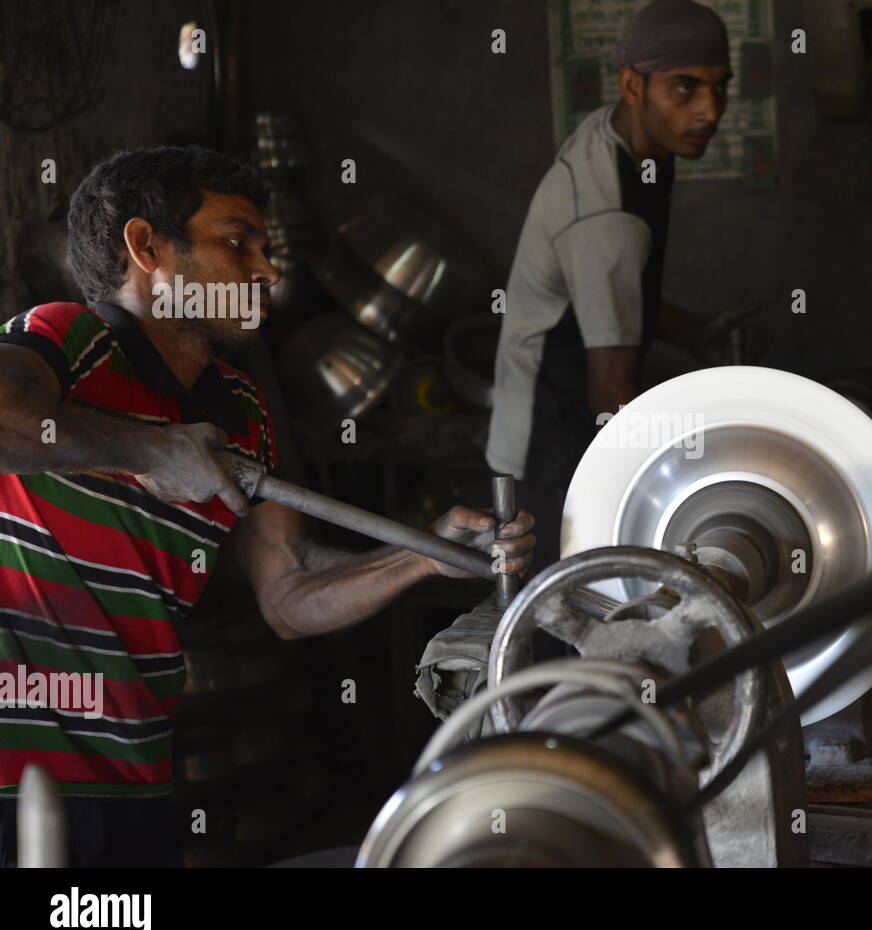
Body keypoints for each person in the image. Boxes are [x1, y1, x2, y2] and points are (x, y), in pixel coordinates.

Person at [0, 145, 535, 867]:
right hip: (17, 775)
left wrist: (422, 553)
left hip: (134, 780)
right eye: (235, 242)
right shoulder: (69, 339)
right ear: (147, 246)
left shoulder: (239, 409)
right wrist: (151, 450)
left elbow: (288, 593)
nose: (267, 270)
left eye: (265, 246)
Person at [487, 0, 739, 572]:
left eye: (720, 88)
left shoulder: (634, 141)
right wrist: (697, 468)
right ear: (633, 84)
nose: (709, 111)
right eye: (686, 88)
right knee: (562, 617)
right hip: (548, 441)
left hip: (573, 410)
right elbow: (610, 393)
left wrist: (698, 333)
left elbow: (618, 292)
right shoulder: (608, 213)